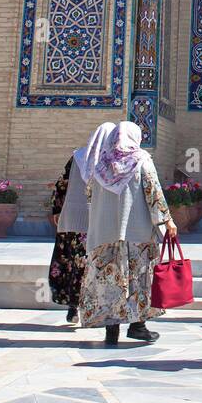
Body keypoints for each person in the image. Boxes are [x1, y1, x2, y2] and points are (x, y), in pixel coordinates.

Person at [76, 121, 177, 346]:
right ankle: (138, 326)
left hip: (104, 233)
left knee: (111, 280)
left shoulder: (99, 165)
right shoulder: (141, 160)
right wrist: (166, 221)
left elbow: (90, 196)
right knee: (138, 278)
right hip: (136, 233)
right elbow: (154, 193)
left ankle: (111, 331)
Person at [48, 154, 87, 324]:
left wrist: (56, 209)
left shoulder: (78, 157)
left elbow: (61, 184)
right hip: (96, 219)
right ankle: (87, 308)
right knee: (90, 264)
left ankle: (73, 306)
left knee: (73, 262)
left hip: (72, 217)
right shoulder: (108, 159)